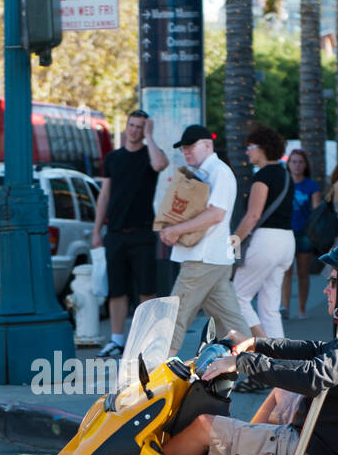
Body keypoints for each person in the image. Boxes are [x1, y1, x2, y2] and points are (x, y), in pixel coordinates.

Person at [162, 240, 338, 455]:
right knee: (281, 392)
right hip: (329, 441)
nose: (326, 290)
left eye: (333, 282)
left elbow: (316, 374)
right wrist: (258, 344)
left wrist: (242, 362)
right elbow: (319, 350)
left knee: (204, 426)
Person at [159, 125, 251, 357]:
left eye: (191, 147)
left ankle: (158, 372)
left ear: (207, 145)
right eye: (183, 148)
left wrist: (176, 229)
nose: (186, 152)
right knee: (231, 322)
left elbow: (216, 214)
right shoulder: (209, 172)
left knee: (175, 317)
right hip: (212, 258)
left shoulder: (218, 172)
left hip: (202, 258)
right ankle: (259, 368)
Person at [92, 109, 169, 358]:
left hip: (143, 233)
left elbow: (160, 164)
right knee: (117, 290)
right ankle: (116, 340)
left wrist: (150, 137)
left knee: (147, 291)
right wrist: (96, 231)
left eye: (140, 127)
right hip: (115, 233)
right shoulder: (113, 158)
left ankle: (149, 342)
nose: (135, 130)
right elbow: (104, 195)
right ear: (126, 127)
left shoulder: (151, 154)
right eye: (132, 125)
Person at [230, 125, 294, 348]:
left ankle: (265, 346)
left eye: (250, 147)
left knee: (237, 297)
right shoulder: (286, 175)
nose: (247, 151)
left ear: (263, 148)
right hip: (287, 242)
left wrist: (234, 241)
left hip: (266, 241)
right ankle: (282, 357)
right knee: (270, 305)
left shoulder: (263, 176)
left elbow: (253, 215)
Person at [281, 148, 321, 320]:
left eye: (300, 162)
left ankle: (302, 309)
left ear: (305, 165)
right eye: (294, 161)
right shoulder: (283, 182)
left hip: (304, 233)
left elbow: (316, 212)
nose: (297, 165)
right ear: (288, 164)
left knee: (303, 273)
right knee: (286, 273)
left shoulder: (311, 185)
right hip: (285, 232)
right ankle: (285, 308)